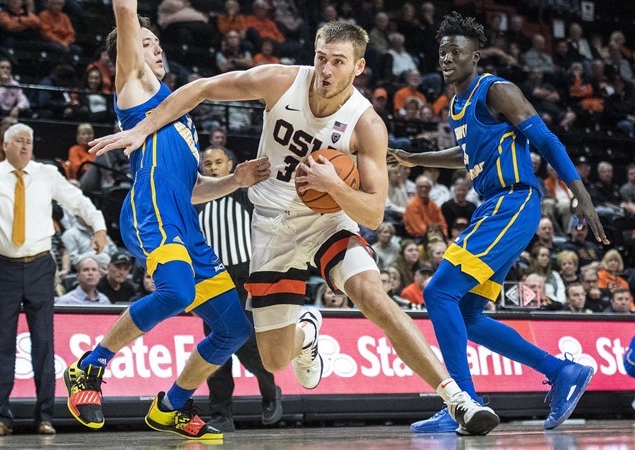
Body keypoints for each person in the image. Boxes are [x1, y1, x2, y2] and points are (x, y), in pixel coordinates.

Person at [91, 20, 501, 436]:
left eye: (338, 62)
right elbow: (202, 88)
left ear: (358, 67)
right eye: (321, 58)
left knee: (372, 296)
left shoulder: (366, 124)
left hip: (327, 221)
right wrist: (142, 128)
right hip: (272, 227)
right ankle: (307, 331)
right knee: (274, 360)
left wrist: (334, 186)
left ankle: (457, 400)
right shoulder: (281, 81)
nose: (326, 70)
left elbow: (374, 215)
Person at [387, 12, 609, 433]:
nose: (447, 58)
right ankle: (562, 371)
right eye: (442, 52)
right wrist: (415, 158)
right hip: (494, 205)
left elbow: (547, 140)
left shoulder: (497, 90)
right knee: (467, 313)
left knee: (438, 292)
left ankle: (462, 401)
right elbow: (466, 154)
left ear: (475, 56)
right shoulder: (457, 106)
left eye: (456, 51)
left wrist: (582, 195)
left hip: (514, 201)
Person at [62, 0, 271, 440]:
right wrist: (129, 22)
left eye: (157, 42)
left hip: (185, 219)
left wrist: (235, 179)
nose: (156, 48)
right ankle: (89, 366)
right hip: (152, 207)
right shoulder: (134, 86)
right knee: (176, 292)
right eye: (145, 43)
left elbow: (194, 188)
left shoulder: (178, 114)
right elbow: (124, 11)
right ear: (128, 53)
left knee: (233, 329)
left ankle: (170, 406)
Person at [0, 123, 108, 436]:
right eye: (18, 141)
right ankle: (0, 418)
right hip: (3, 267)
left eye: (29, 141)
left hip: (40, 267)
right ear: (5, 145)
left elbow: (78, 201)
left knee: (43, 342)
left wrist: (99, 226)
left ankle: (45, 416)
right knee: (2, 344)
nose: (24, 146)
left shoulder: (47, 174)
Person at [196, 146, 282, 432]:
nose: (213, 167)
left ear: (230, 165)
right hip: (211, 279)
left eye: (218, 162)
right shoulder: (195, 200)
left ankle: (269, 390)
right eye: (208, 163)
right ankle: (221, 414)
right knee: (215, 347)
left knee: (246, 342)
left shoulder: (245, 194)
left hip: (244, 275)